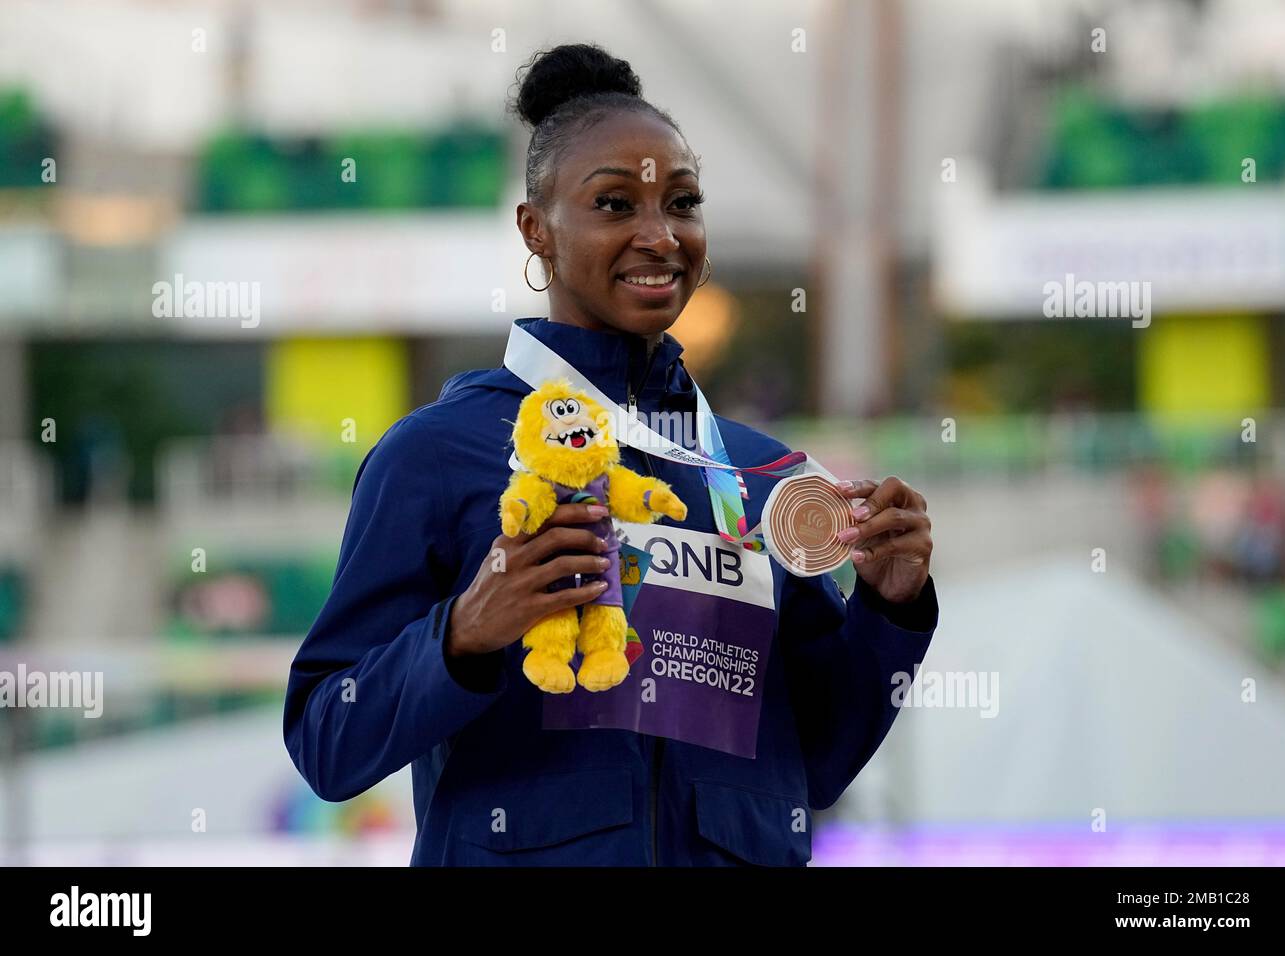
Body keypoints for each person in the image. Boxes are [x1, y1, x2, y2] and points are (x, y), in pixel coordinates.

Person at [283, 43, 938, 866]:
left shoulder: (757, 474)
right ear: (536, 230)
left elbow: (818, 763)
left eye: (685, 203)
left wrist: (889, 609)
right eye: (615, 204)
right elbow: (326, 740)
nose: (660, 235)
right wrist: (463, 632)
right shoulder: (437, 455)